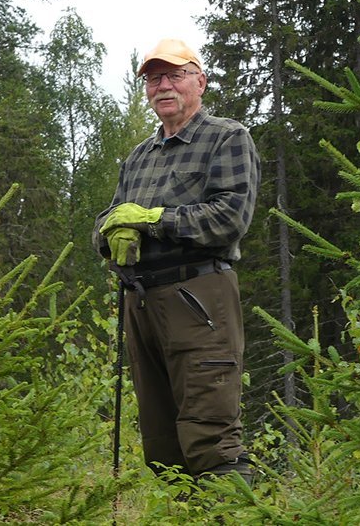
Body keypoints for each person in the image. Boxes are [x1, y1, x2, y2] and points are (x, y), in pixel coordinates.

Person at [95, 38, 261, 481]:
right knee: (161, 443)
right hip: (141, 303)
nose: (163, 85)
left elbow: (229, 219)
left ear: (200, 82)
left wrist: (152, 220)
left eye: (175, 75)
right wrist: (112, 232)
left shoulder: (226, 137)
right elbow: (107, 219)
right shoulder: (138, 157)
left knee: (210, 437)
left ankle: (232, 515)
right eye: (153, 78)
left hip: (199, 298)